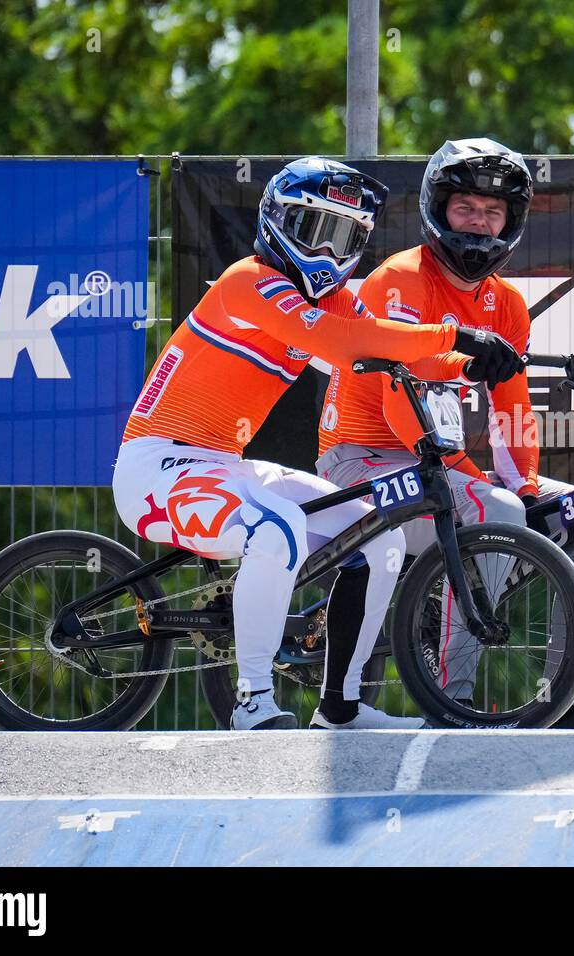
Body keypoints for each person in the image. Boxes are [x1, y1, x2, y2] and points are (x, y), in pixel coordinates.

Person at [112, 156, 520, 730]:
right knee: (273, 527)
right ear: (279, 221)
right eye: (316, 231)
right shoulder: (245, 281)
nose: (328, 253)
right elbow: (342, 341)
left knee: (379, 536)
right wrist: (457, 333)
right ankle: (252, 701)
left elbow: (390, 346)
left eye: (344, 237)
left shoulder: (328, 299)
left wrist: (470, 360)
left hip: (224, 465)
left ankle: (341, 708)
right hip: (156, 465)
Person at [313, 138, 574, 715]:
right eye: (467, 209)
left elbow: (513, 409)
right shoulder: (399, 279)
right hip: (362, 457)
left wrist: (524, 484)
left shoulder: (509, 304)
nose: (479, 222)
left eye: (493, 212)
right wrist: (485, 485)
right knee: (492, 511)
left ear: (512, 220)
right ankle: (452, 696)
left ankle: (566, 690)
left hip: (434, 461)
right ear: (438, 208)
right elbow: (402, 399)